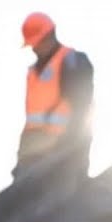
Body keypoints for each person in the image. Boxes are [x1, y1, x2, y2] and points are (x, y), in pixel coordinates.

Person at [15, 12, 94, 181]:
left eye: (35, 44)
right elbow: (31, 122)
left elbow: (82, 111)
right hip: (34, 160)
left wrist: (68, 153)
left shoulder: (73, 62)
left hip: (64, 157)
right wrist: (21, 159)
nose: (34, 49)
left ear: (48, 36)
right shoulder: (33, 73)